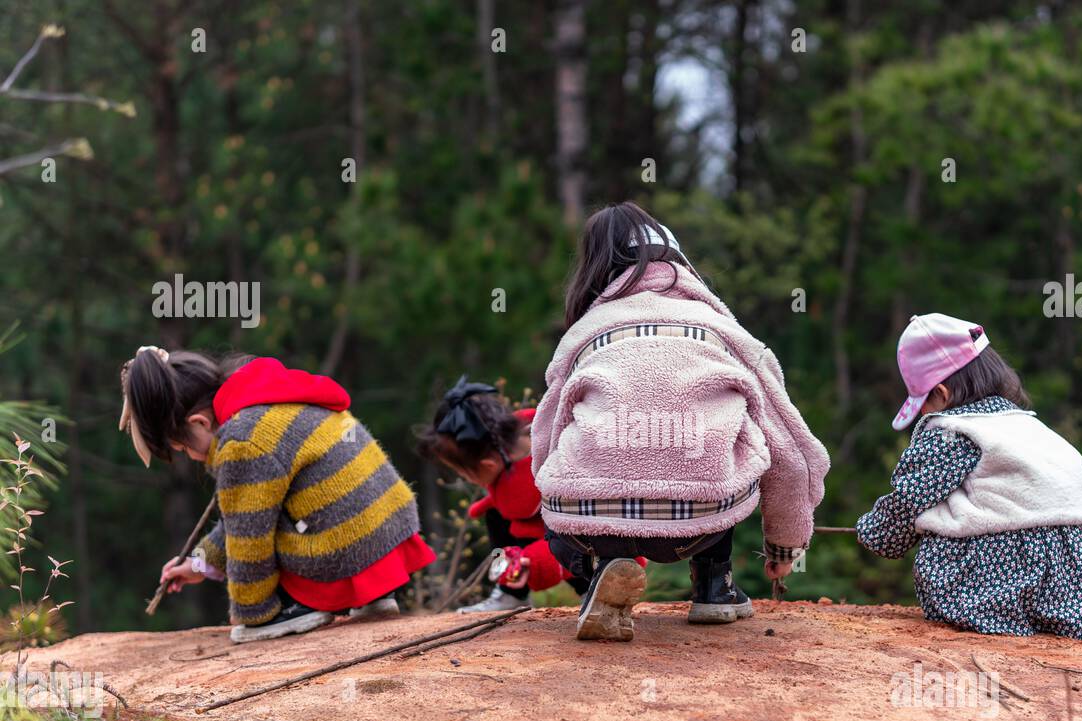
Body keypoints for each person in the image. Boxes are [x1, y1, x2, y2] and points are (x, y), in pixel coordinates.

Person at [532, 201, 830, 640]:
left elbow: (544, 439)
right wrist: (785, 545)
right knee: (723, 439)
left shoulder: (582, 336)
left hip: (588, 520)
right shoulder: (722, 331)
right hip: (700, 521)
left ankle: (600, 572)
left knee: (573, 460)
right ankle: (715, 587)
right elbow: (790, 446)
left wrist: (555, 509)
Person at [120, 347, 435, 642]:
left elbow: (247, 534)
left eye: (184, 447)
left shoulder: (242, 441)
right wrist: (200, 563)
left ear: (200, 422)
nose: (192, 456)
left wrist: (252, 613)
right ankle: (376, 597)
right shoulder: (265, 399)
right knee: (268, 508)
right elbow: (240, 515)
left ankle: (289, 612)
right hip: (385, 533)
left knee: (258, 523)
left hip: (342, 548)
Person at [856, 314, 1082, 639]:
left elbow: (911, 499)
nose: (922, 414)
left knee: (940, 527)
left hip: (1001, 578)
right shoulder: (1031, 428)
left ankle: (990, 612)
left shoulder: (951, 430)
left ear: (942, 394)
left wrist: (877, 533)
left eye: (922, 404)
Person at [415, 377, 570, 613]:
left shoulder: (530, 482)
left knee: (555, 541)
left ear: (487, 465)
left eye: (462, 472)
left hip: (579, 532)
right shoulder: (529, 431)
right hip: (559, 527)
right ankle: (509, 591)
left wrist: (535, 559)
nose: (463, 478)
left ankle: (594, 588)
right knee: (496, 518)